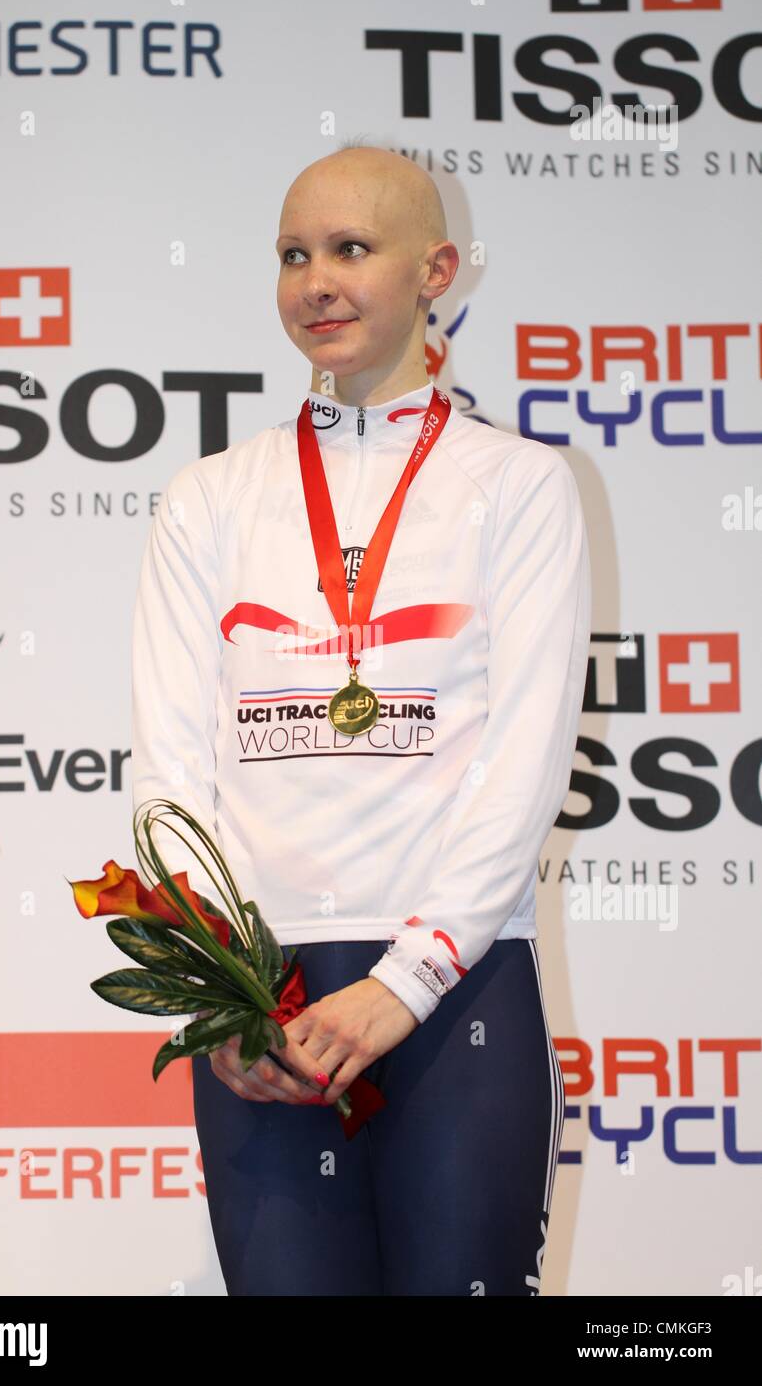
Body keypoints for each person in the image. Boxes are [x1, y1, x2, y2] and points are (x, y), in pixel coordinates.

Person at [130, 145, 591, 1295]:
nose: (316, 282)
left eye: (349, 249)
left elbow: (524, 761)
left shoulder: (518, 485)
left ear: (434, 270)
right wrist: (219, 1001)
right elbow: (169, 778)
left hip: (457, 985)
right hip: (265, 1006)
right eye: (293, 255)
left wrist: (407, 982)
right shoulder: (208, 499)